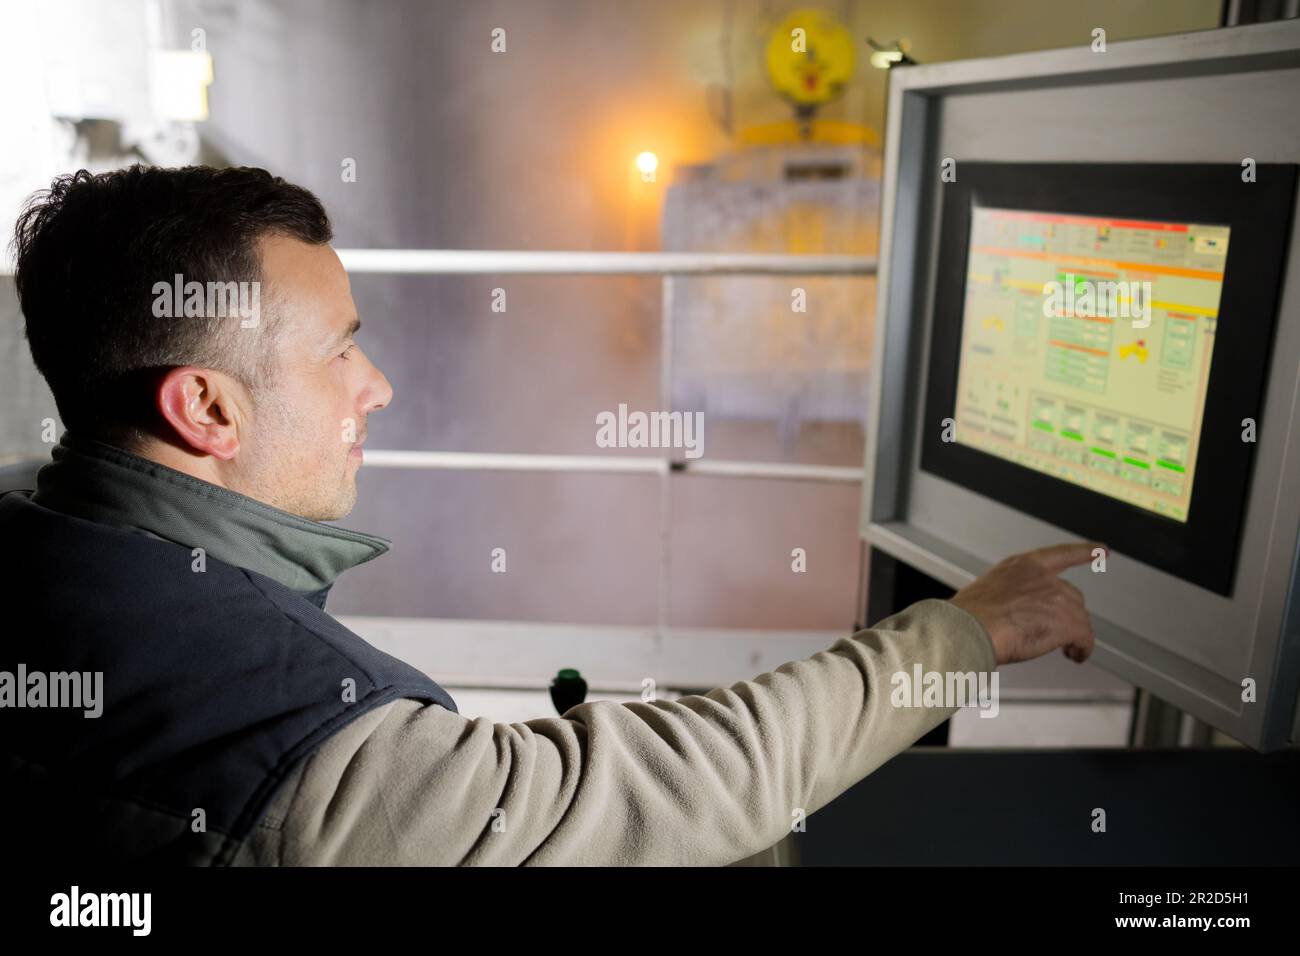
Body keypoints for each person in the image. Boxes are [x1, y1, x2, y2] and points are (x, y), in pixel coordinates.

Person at [0, 165, 1098, 865]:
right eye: (339, 348)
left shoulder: (37, 534)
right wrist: (967, 631)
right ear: (206, 407)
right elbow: (635, 795)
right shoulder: (275, 733)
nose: (374, 386)